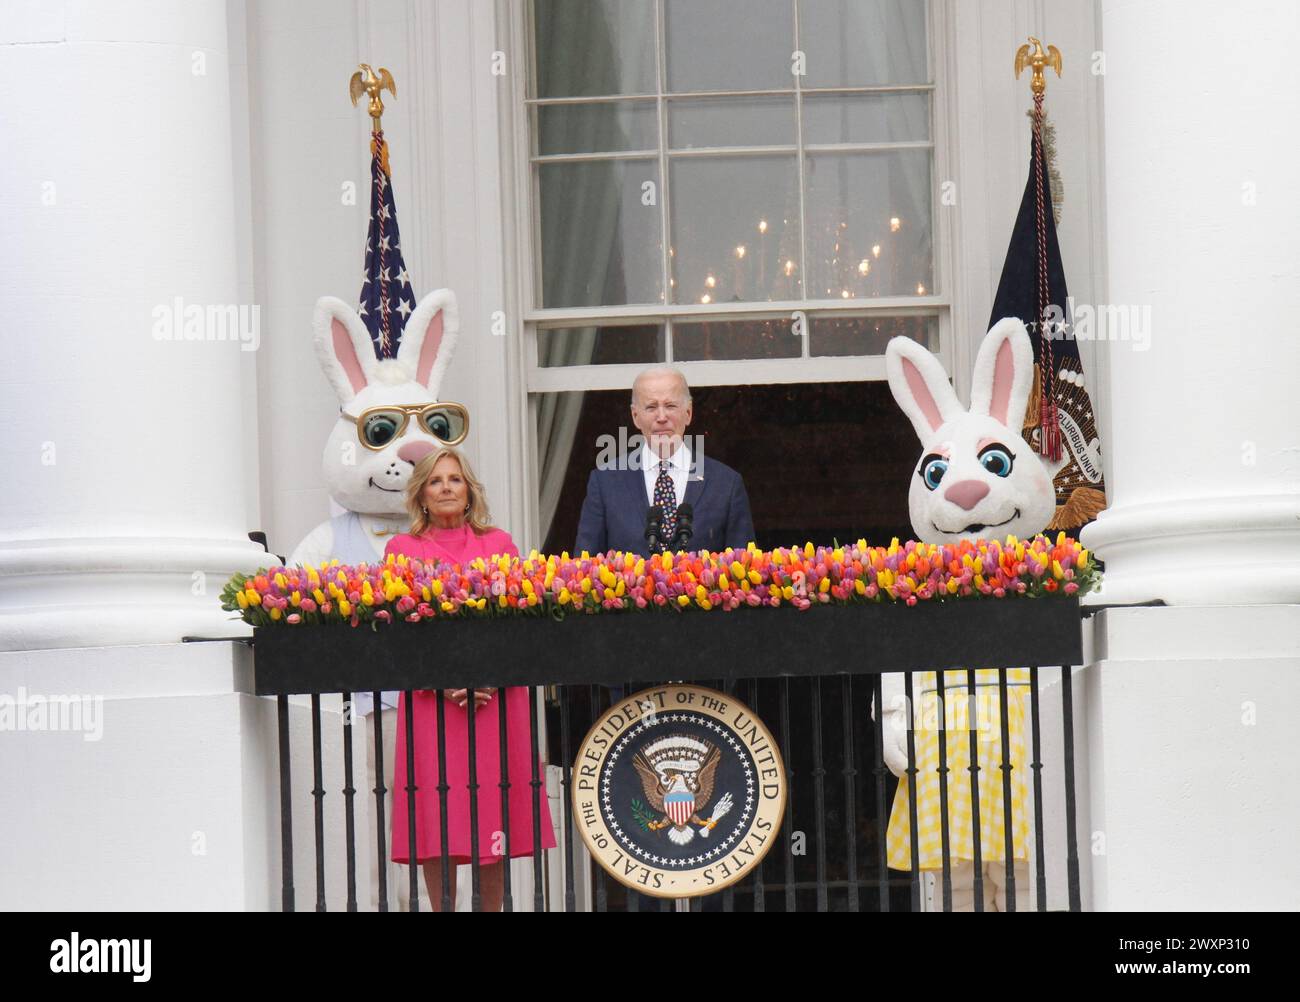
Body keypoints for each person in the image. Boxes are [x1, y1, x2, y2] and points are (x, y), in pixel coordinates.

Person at [384, 446, 556, 910]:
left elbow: (520, 623)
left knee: (491, 811)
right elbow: (401, 634)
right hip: (430, 704)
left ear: (468, 490)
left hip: (493, 703)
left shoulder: (499, 544)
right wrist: (441, 681)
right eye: (436, 481)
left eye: (454, 480)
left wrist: (493, 679)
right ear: (421, 494)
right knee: (438, 817)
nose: (446, 488)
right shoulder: (402, 550)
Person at [574, 367, 754, 557]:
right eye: (651, 407)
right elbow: (585, 569)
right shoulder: (605, 483)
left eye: (670, 406)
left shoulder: (726, 484)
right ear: (635, 416)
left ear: (688, 413)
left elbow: (745, 572)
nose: (661, 417)